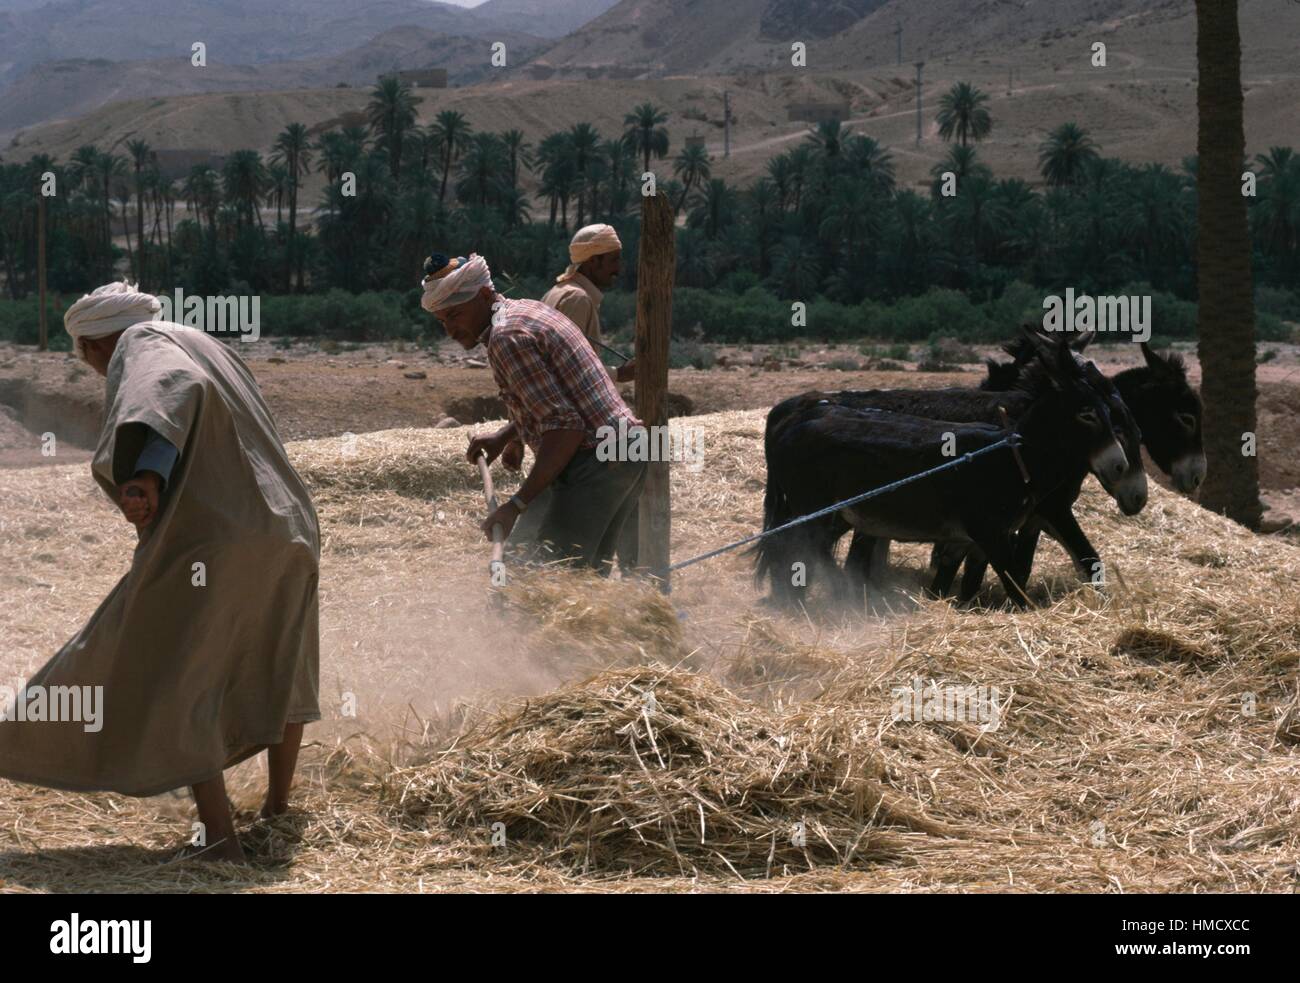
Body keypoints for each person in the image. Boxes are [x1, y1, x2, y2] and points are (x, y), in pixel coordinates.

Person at [0, 282, 321, 864]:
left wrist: (145, 475)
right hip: (288, 523)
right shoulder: (204, 340)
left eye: (89, 358)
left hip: (215, 536)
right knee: (281, 660)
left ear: (96, 347)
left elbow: (167, 394)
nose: (98, 370)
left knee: (180, 672)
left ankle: (221, 842)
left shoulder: (141, 344)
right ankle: (277, 808)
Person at [421, 253, 645, 571]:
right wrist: (508, 434)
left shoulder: (506, 338)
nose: (450, 330)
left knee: (539, 577)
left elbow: (567, 427)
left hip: (596, 459)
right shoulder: (526, 310)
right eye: (442, 321)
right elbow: (561, 399)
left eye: (455, 315)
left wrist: (516, 505)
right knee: (579, 580)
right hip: (626, 449)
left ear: (484, 295)